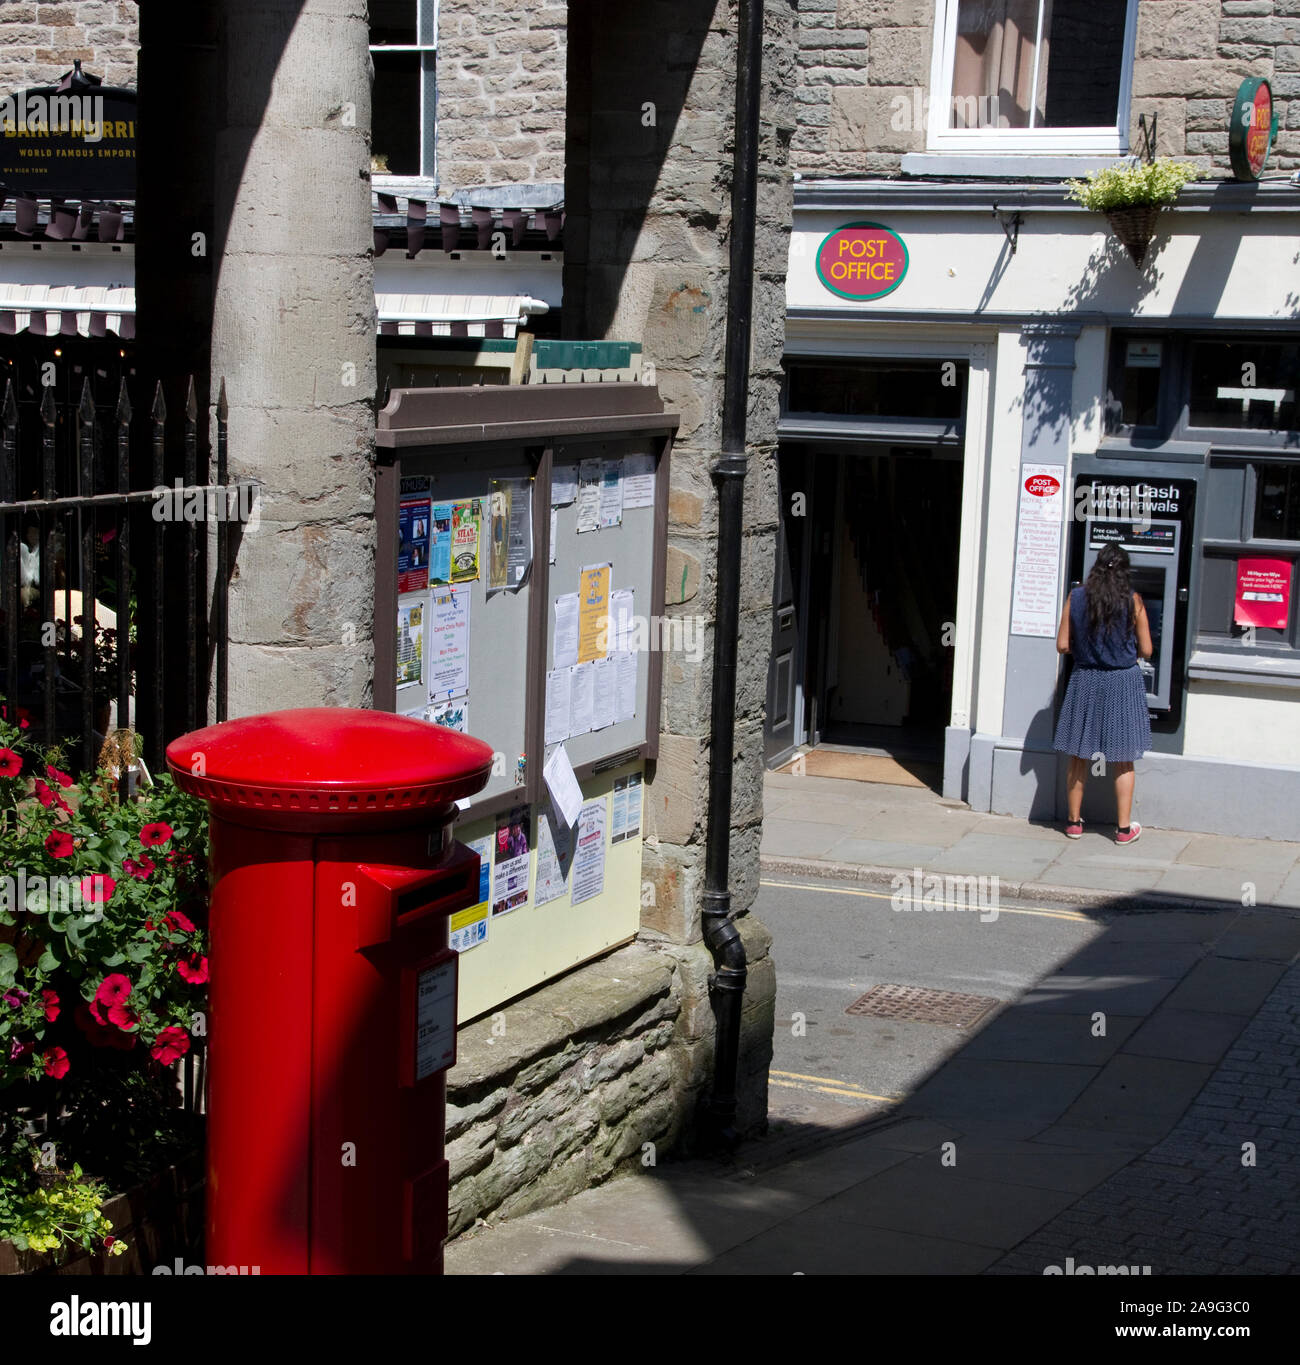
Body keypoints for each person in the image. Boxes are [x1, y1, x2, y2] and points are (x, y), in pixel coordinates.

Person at [1053, 543, 1154, 844]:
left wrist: (1088, 648)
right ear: (1124, 571)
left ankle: (1073, 823)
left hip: (1086, 679)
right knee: (1123, 758)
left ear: (1096, 567)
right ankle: (1123, 830)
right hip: (1123, 683)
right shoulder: (1133, 600)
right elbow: (1147, 649)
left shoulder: (1077, 597)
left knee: (1079, 755)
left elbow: (1061, 645)